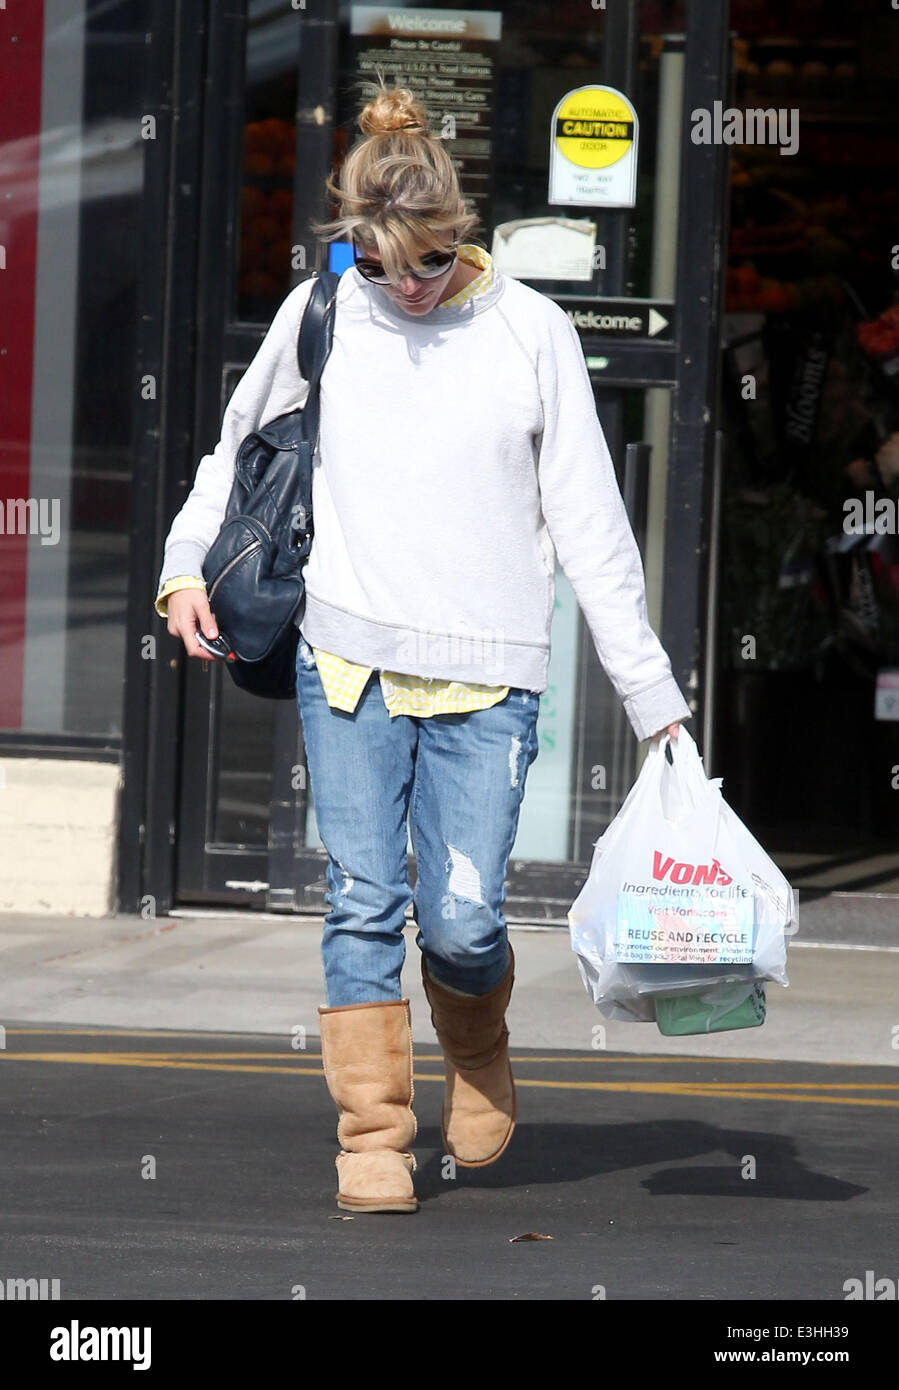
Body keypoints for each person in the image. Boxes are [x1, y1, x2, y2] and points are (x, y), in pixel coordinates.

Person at [155, 81, 690, 1216]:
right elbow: (235, 451)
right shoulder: (327, 312)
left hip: (489, 674)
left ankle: (477, 1038)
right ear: (354, 242)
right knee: (360, 900)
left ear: (459, 230)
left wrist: (653, 701)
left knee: (461, 917)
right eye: (385, 264)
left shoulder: (530, 333)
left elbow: (593, 531)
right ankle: (374, 1133)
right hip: (344, 659)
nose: (409, 285)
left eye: (430, 263)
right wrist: (182, 562)